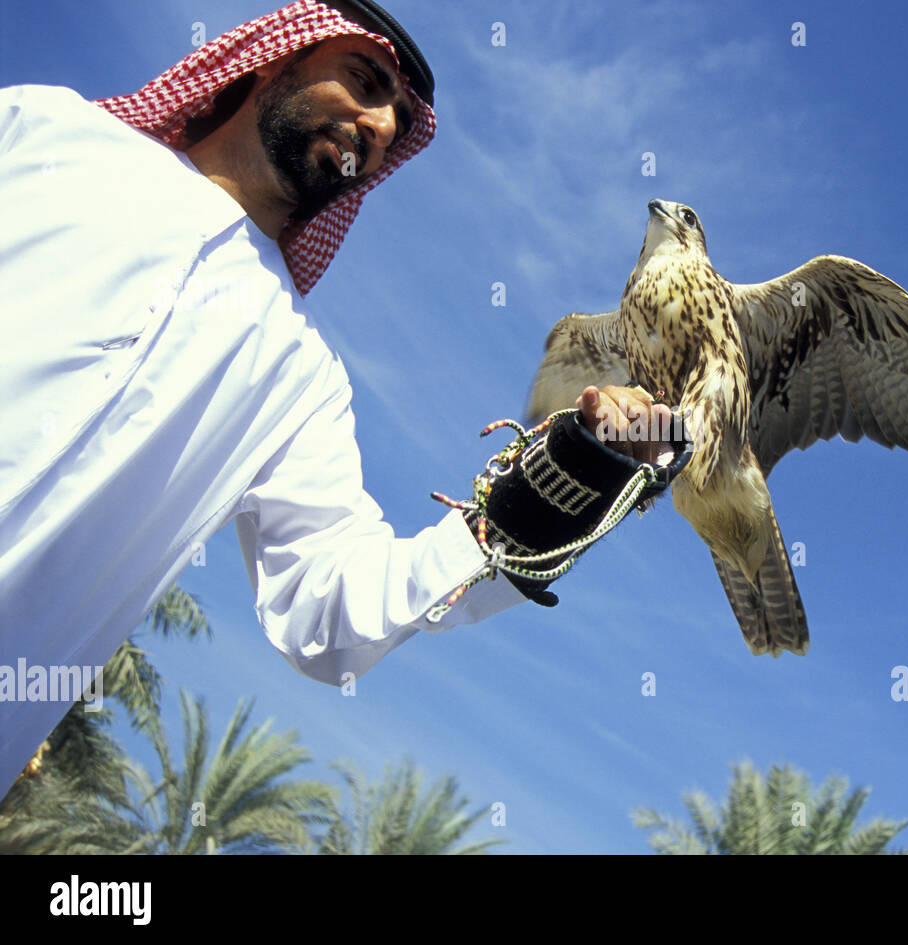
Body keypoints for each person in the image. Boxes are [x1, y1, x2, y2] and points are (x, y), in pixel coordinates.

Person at [0, 0, 684, 786]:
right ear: (273, 59)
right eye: (364, 80)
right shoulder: (47, 137)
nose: (380, 122)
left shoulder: (298, 375)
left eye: (396, 118)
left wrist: (556, 492)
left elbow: (330, 617)